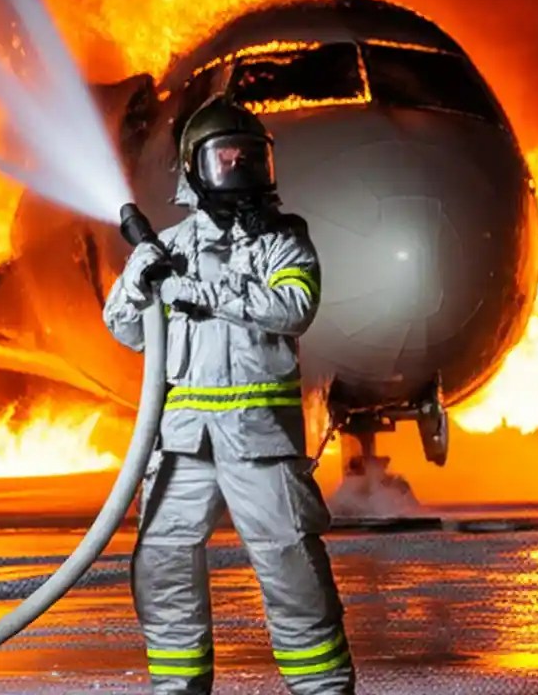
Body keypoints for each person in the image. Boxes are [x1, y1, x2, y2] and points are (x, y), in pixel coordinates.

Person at [103, 95, 354, 694]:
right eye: (226, 159)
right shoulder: (167, 246)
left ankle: (324, 689)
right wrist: (138, 283)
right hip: (182, 447)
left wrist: (202, 292)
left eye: (250, 158)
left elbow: (293, 306)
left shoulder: (284, 242)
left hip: (259, 443)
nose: (240, 170)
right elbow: (126, 330)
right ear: (195, 168)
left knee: (291, 567)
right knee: (162, 564)